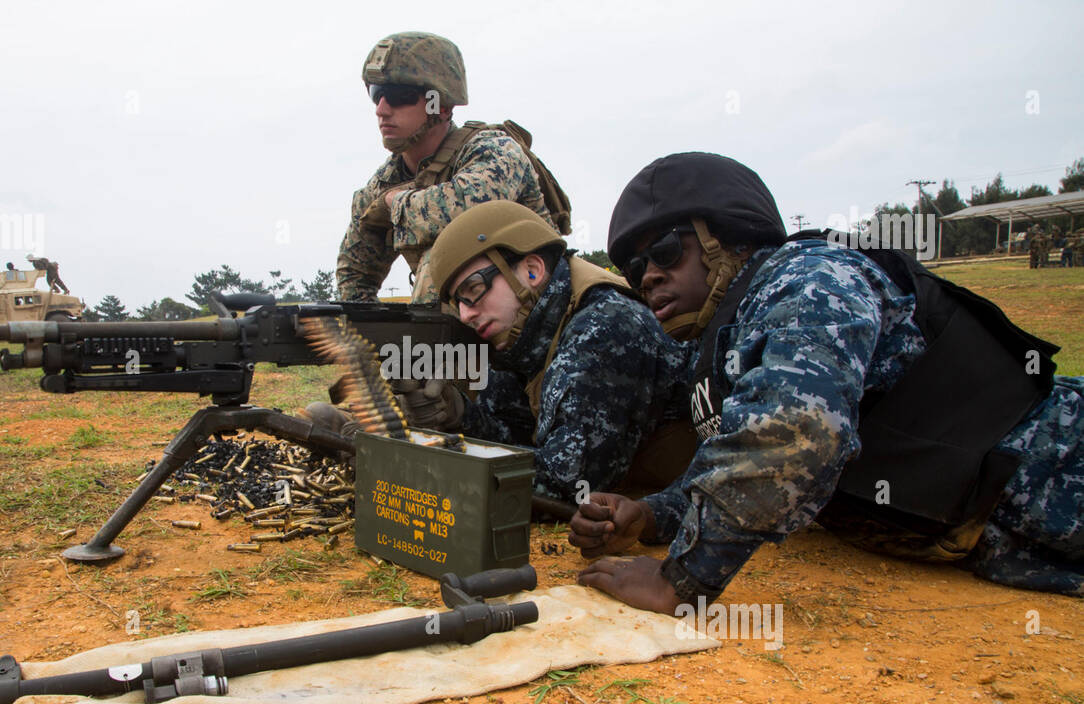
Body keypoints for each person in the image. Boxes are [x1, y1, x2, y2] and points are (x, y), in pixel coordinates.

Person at [570, 152, 1084, 612]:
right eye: (633, 268)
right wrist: (651, 516)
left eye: (663, 251)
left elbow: (796, 428)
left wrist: (682, 578)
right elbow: (731, 457)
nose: (647, 277)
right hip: (1009, 533)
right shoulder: (721, 340)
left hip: (1057, 467)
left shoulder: (808, 278)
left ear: (726, 236)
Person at [406, 200, 696, 499]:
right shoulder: (525, 335)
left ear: (532, 271)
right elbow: (515, 436)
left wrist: (426, 465)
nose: (466, 315)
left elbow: (568, 484)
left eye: (473, 291)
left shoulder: (605, 327)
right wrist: (460, 416)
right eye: (459, 302)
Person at [335, 32, 562, 304]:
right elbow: (354, 273)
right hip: (468, 330)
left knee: (442, 256)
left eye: (397, 96)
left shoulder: (495, 151)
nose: (381, 110)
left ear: (440, 106)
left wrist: (394, 204)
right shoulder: (386, 181)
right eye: (377, 94)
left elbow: (466, 209)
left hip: (544, 313)